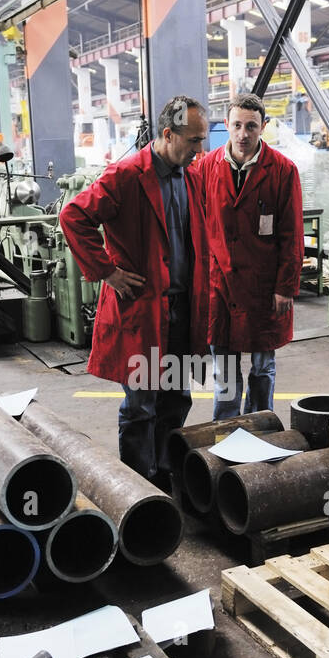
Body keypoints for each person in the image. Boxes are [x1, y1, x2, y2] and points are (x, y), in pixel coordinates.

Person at [60, 95, 210, 484]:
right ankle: (136, 484)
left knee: (177, 397)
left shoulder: (191, 178)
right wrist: (107, 272)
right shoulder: (126, 175)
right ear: (167, 134)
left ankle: (164, 472)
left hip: (181, 312)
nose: (200, 149)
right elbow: (73, 216)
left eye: (201, 140)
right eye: (193, 140)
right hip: (143, 312)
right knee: (142, 404)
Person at [195, 92, 303, 420]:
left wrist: (285, 287)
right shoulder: (205, 170)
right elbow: (197, 230)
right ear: (226, 125)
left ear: (263, 127)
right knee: (225, 372)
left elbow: (292, 235)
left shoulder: (283, 171)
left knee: (262, 368)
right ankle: (226, 432)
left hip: (264, 288)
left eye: (252, 126)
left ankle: (260, 427)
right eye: (237, 125)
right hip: (220, 287)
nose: (244, 134)